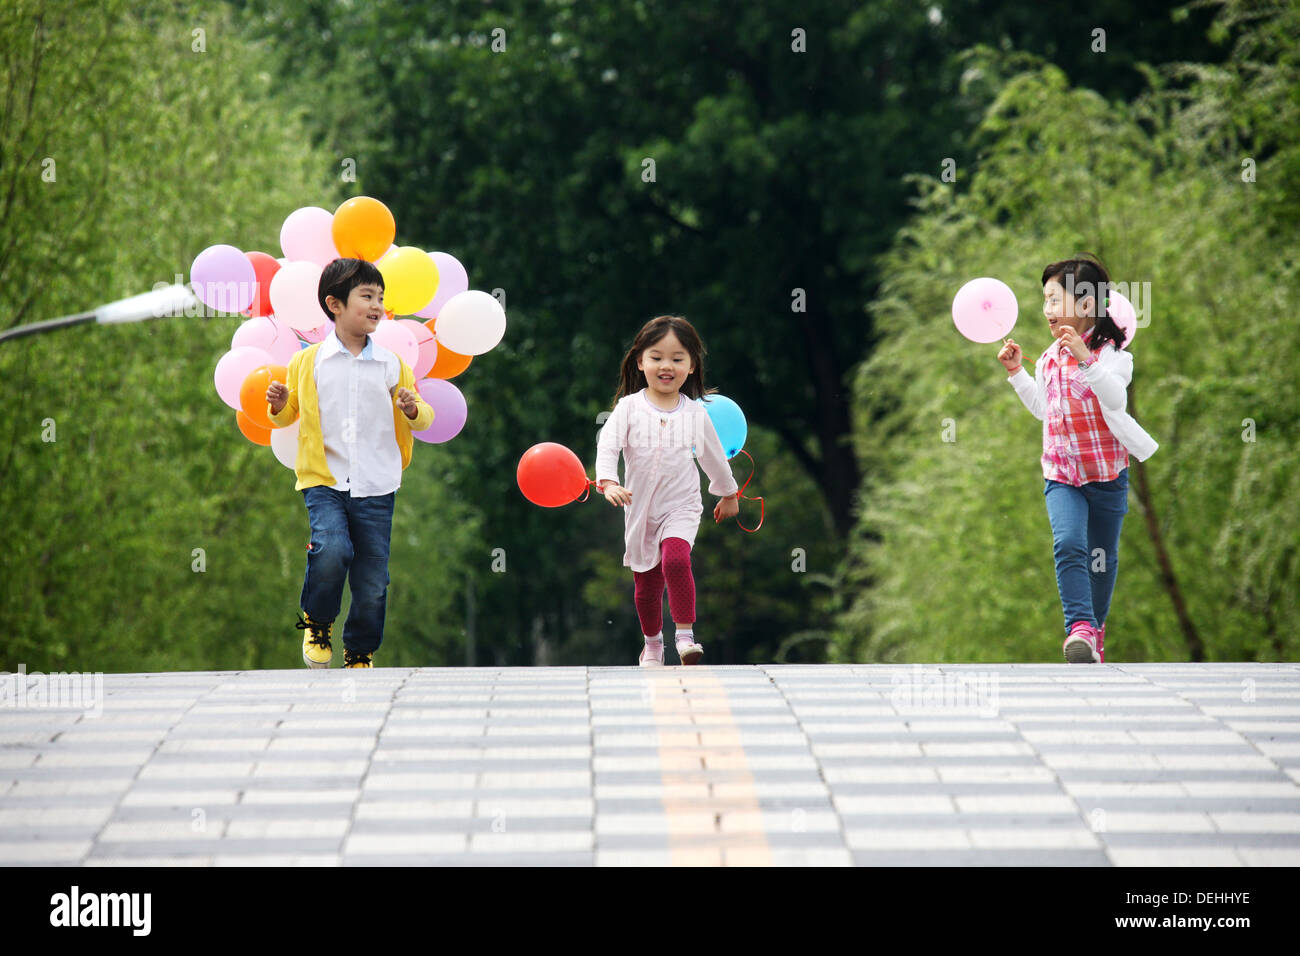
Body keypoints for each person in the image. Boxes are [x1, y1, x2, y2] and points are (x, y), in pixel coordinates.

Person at [265, 258, 434, 669]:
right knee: (332, 550)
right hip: (324, 480)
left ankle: (359, 650)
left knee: (372, 580)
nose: (377, 305)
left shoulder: (392, 364)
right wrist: (280, 405)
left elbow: (424, 417)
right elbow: (287, 416)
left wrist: (413, 409)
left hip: (377, 485)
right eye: (367, 296)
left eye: (380, 297)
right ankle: (317, 622)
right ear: (334, 304)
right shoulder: (308, 362)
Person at [997, 255, 1158, 663]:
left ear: (1086, 304)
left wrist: (1086, 359)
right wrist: (1017, 373)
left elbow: (1116, 400)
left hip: (1106, 475)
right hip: (1062, 474)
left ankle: (1095, 630)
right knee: (1068, 544)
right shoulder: (1049, 357)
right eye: (1045, 300)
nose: (1047, 309)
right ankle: (1080, 628)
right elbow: (1042, 408)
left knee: (1101, 561)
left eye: (1055, 299)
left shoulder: (1114, 356)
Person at [595, 315, 741, 667]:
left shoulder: (695, 414)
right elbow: (608, 446)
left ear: (691, 366)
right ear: (640, 361)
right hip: (640, 509)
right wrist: (609, 481)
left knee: (676, 559)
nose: (666, 366)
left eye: (677, 358)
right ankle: (653, 645)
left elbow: (713, 456)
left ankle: (685, 637)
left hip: (682, 505)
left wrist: (728, 494)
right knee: (646, 585)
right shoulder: (628, 408)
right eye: (657, 357)